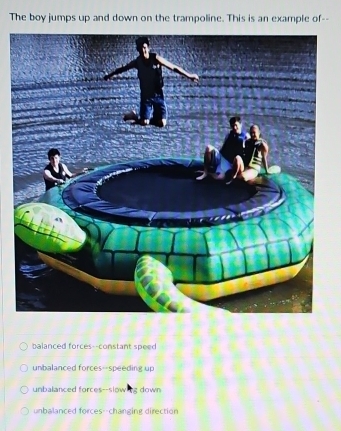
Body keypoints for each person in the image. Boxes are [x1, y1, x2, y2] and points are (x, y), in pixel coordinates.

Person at [103, 37, 199, 127]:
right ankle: (136, 116)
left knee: (162, 123)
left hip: (158, 95)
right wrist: (110, 75)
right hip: (146, 96)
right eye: (140, 49)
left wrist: (189, 76)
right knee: (145, 122)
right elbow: (123, 68)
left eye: (144, 48)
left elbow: (173, 67)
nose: (143, 51)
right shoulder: (138, 62)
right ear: (138, 50)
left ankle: (138, 118)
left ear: (148, 48)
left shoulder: (156, 59)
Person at [196, 116, 249, 181]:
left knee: (220, 178)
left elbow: (249, 152)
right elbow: (223, 146)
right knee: (208, 147)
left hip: (230, 162)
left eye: (236, 125)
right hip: (222, 157)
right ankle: (205, 172)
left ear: (240, 124)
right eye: (232, 126)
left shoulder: (246, 137)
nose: (234, 128)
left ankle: (210, 174)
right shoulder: (229, 134)